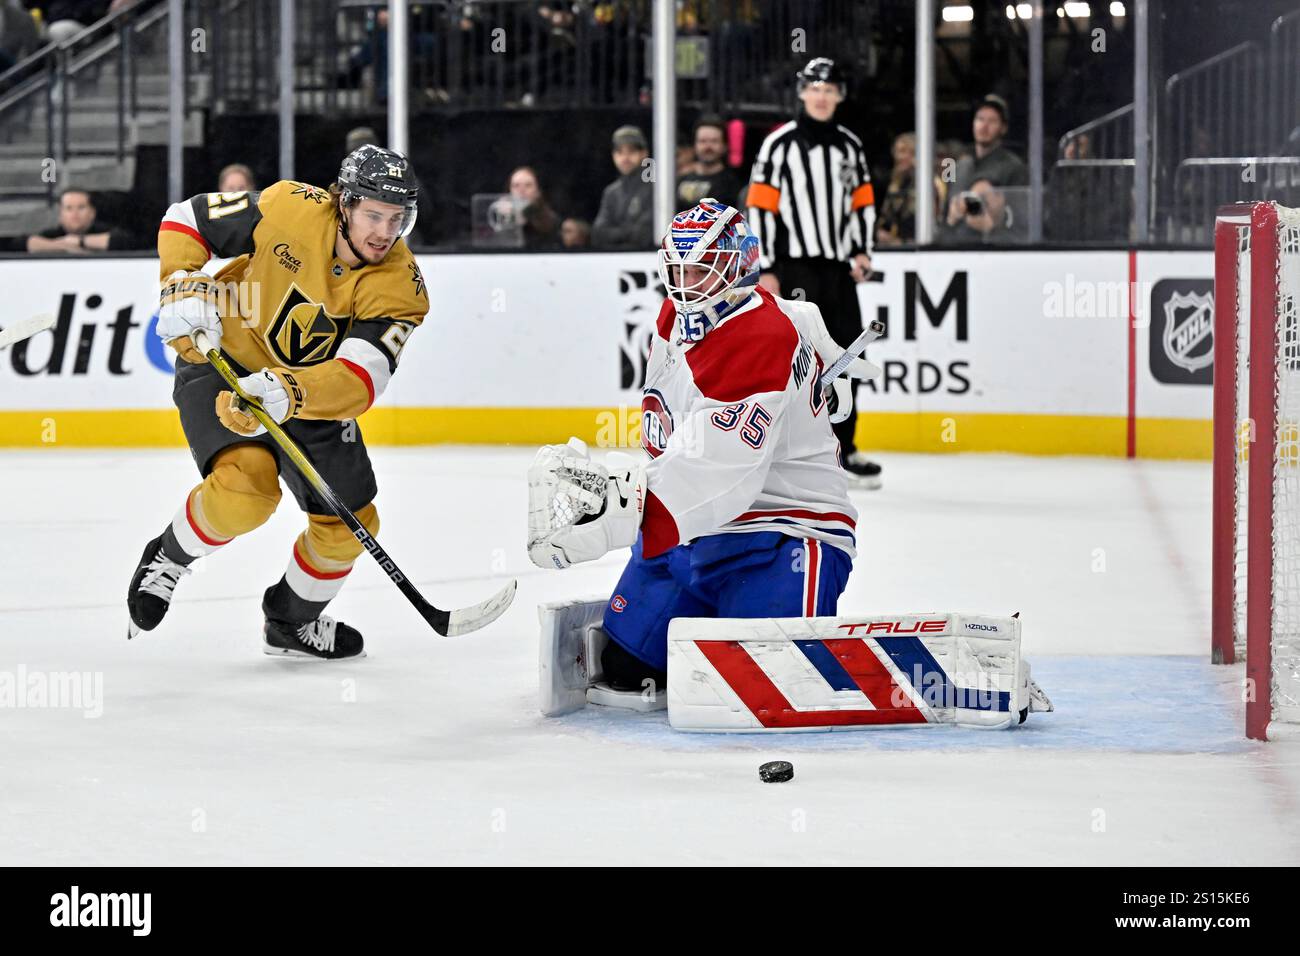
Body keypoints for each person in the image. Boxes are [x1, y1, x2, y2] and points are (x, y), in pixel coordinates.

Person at [527, 200, 870, 693]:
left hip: (782, 533)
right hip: (692, 536)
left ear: (739, 268)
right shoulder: (680, 314)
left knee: (758, 688)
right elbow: (683, 425)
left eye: (702, 271)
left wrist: (613, 517)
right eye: (679, 269)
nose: (687, 284)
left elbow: (721, 470)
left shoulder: (759, 336)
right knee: (627, 671)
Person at [125, 145, 429, 660]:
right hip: (225, 359)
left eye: (396, 218)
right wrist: (181, 282)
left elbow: (360, 378)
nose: (384, 231)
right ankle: (169, 556)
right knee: (247, 493)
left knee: (350, 527)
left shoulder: (401, 287)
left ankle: (290, 621)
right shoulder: (289, 206)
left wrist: (291, 391)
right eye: (374, 214)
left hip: (309, 397)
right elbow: (186, 219)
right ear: (344, 203)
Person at [745, 56, 880, 488]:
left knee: (846, 354)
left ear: (839, 96)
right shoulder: (778, 145)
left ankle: (843, 448)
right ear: (802, 93)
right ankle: (787, 451)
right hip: (794, 267)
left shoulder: (850, 146)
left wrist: (862, 251)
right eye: (814, 89)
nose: (822, 97)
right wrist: (765, 268)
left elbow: (862, 204)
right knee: (796, 357)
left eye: (830, 90)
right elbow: (760, 208)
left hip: (837, 269)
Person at [943, 94, 1027, 242]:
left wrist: (993, 229)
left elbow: (1021, 224)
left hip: (992, 250)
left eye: (992, 121)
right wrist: (950, 220)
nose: (984, 126)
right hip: (953, 248)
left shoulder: (1014, 166)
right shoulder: (955, 164)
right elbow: (945, 214)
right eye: (980, 119)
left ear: (1003, 128)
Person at [591, 125, 654, 250]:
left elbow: (644, 234)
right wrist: (628, 232)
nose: (625, 158)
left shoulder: (655, 189)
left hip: (647, 258)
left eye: (631, 151)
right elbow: (598, 233)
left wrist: (615, 233)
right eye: (620, 152)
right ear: (613, 155)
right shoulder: (611, 192)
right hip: (615, 260)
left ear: (644, 153)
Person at [25, 187, 133, 252]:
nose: (75, 213)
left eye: (81, 207)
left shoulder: (104, 231)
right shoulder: (52, 235)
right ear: (60, 215)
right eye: (69, 208)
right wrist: (63, 245)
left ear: (92, 213)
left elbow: (126, 241)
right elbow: (22, 243)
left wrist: (80, 241)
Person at [676, 115, 743, 210]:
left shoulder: (732, 185)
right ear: (694, 145)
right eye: (702, 141)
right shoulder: (680, 180)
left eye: (714, 141)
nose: (708, 146)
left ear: (724, 146)